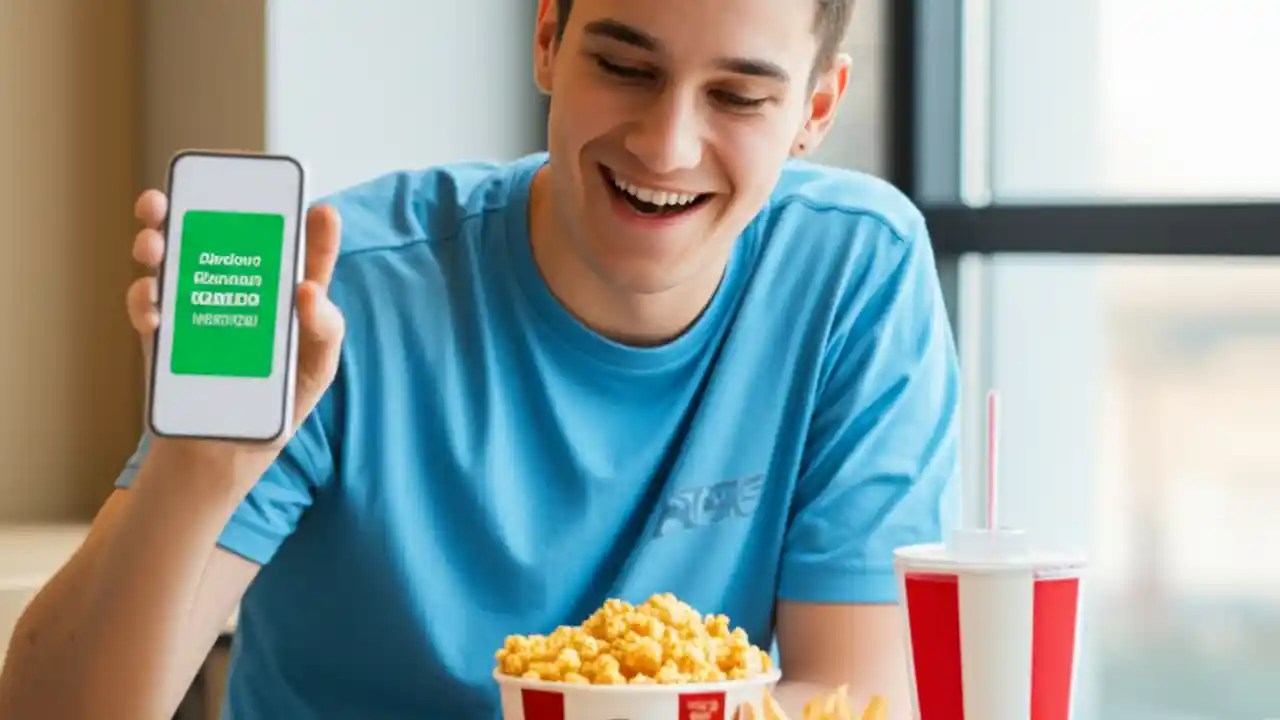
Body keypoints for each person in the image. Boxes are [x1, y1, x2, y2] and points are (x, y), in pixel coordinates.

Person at [0, 0, 959, 717]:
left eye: (739, 96)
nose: (667, 146)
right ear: (547, 37)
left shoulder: (851, 274)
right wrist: (200, 467)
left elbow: (847, 693)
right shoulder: (348, 293)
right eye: (624, 67)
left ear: (816, 108)